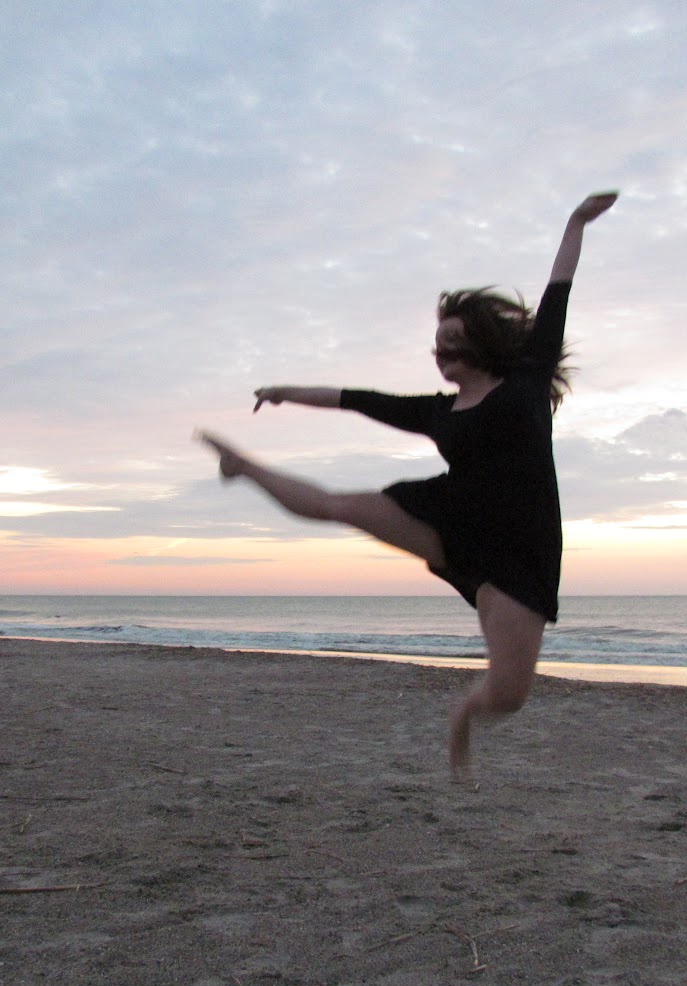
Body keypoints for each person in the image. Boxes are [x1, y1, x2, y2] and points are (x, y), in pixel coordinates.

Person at [199, 191, 618, 777]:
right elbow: (357, 400)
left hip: (524, 548)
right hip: (448, 520)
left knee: (508, 695)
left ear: (479, 340)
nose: (441, 353)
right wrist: (285, 391)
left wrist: (576, 223)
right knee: (334, 506)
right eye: (436, 346)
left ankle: (462, 721)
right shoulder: (438, 412)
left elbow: (558, 290)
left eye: (453, 342)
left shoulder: (528, 377)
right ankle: (245, 467)